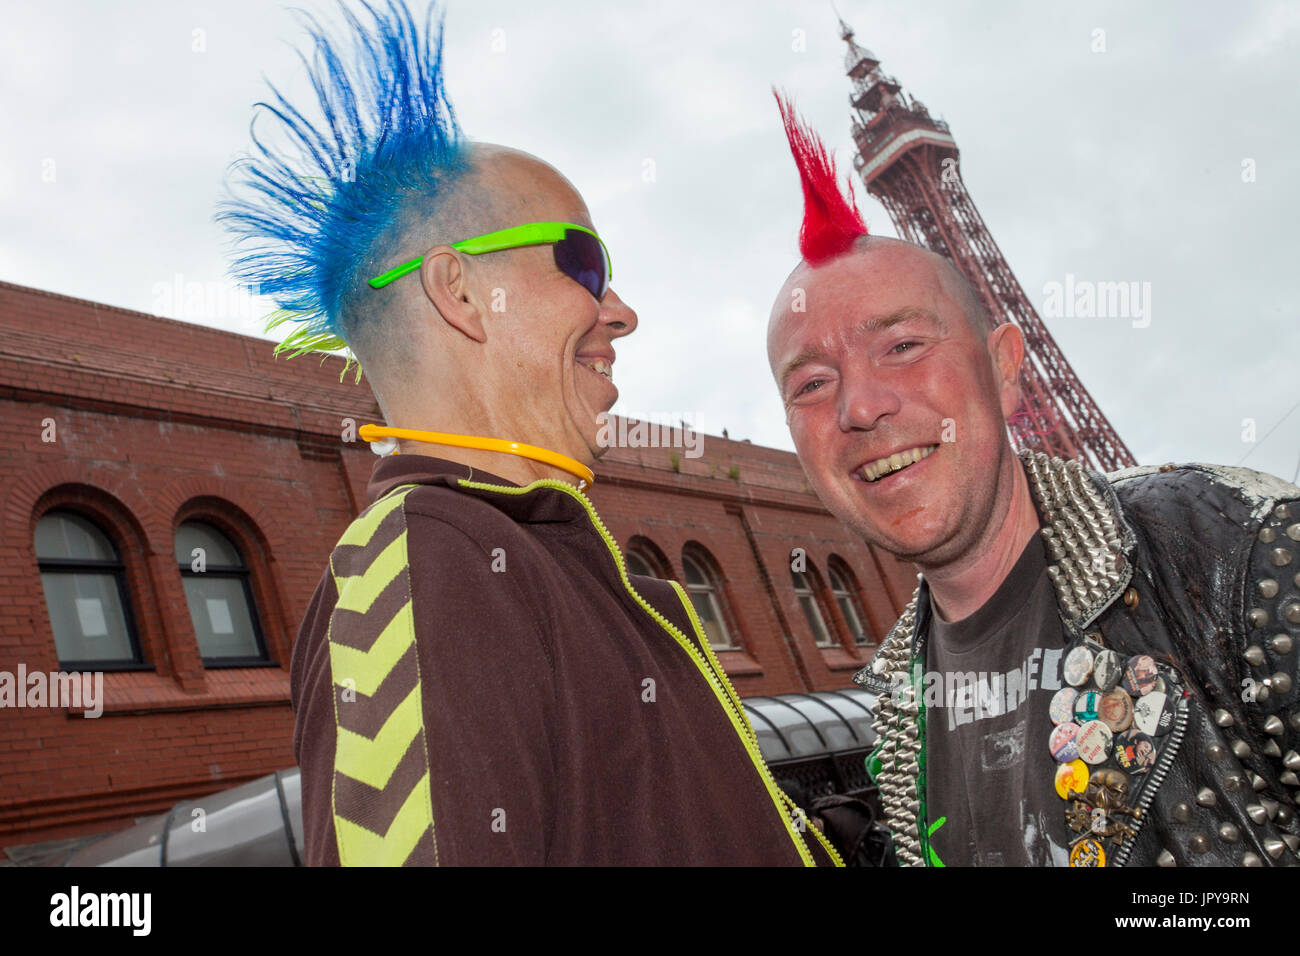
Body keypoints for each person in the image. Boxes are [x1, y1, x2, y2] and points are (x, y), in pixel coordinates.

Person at [219, 2, 840, 866]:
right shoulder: (432, 568)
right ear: (460, 293)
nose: (619, 311)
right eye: (584, 263)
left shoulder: (538, 561)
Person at [764, 94, 1300, 867]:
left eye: (905, 344)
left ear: (1007, 367)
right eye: (811, 385)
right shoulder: (894, 704)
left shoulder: (1231, 552)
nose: (860, 406)